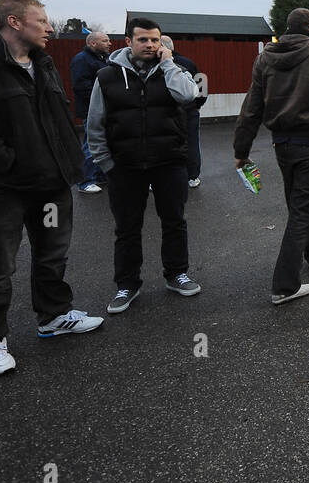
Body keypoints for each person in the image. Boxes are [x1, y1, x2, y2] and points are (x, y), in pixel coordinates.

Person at [0, 0, 103, 376]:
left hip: (51, 187)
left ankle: (54, 316)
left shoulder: (42, 65)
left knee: (51, 254)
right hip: (4, 191)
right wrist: (7, 161)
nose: (49, 27)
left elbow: (56, 120)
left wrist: (69, 165)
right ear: (14, 23)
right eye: (41, 20)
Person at [233, 8, 309, 304]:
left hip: (281, 145)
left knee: (300, 203)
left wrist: (241, 151)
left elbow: (251, 108)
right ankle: (284, 285)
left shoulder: (264, 59)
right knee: (302, 209)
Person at [87, 16, 202, 314]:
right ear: (128, 42)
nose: (150, 45)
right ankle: (127, 285)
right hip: (125, 166)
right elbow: (95, 124)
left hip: (169, 161)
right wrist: (106, 163)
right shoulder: (107, 76)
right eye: (143, 40)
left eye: (155, 40)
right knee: (127, 228)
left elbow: (189, 95)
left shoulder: (174, 71)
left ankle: (177, 274)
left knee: (174, 221)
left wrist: (168, 63)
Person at [160, 35, 207, 188]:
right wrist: (197, 105)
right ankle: (192, 176)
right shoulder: (189, 63)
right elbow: (202, 83)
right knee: (191, 142)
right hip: (189, 111)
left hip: (164, 112)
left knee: (162, 142)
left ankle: (163, 177)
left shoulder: (156, 65)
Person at [70, 31, 111, 193]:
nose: (109, 43)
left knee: (103, 142)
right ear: (92, 43)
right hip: (91, 110)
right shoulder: (82, 60)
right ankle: (85, 181)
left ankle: (99, 175)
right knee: (91, 144)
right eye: (105, 40)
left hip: (103, 109)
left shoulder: (101, 59)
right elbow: (81, 86)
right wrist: (101, 101)